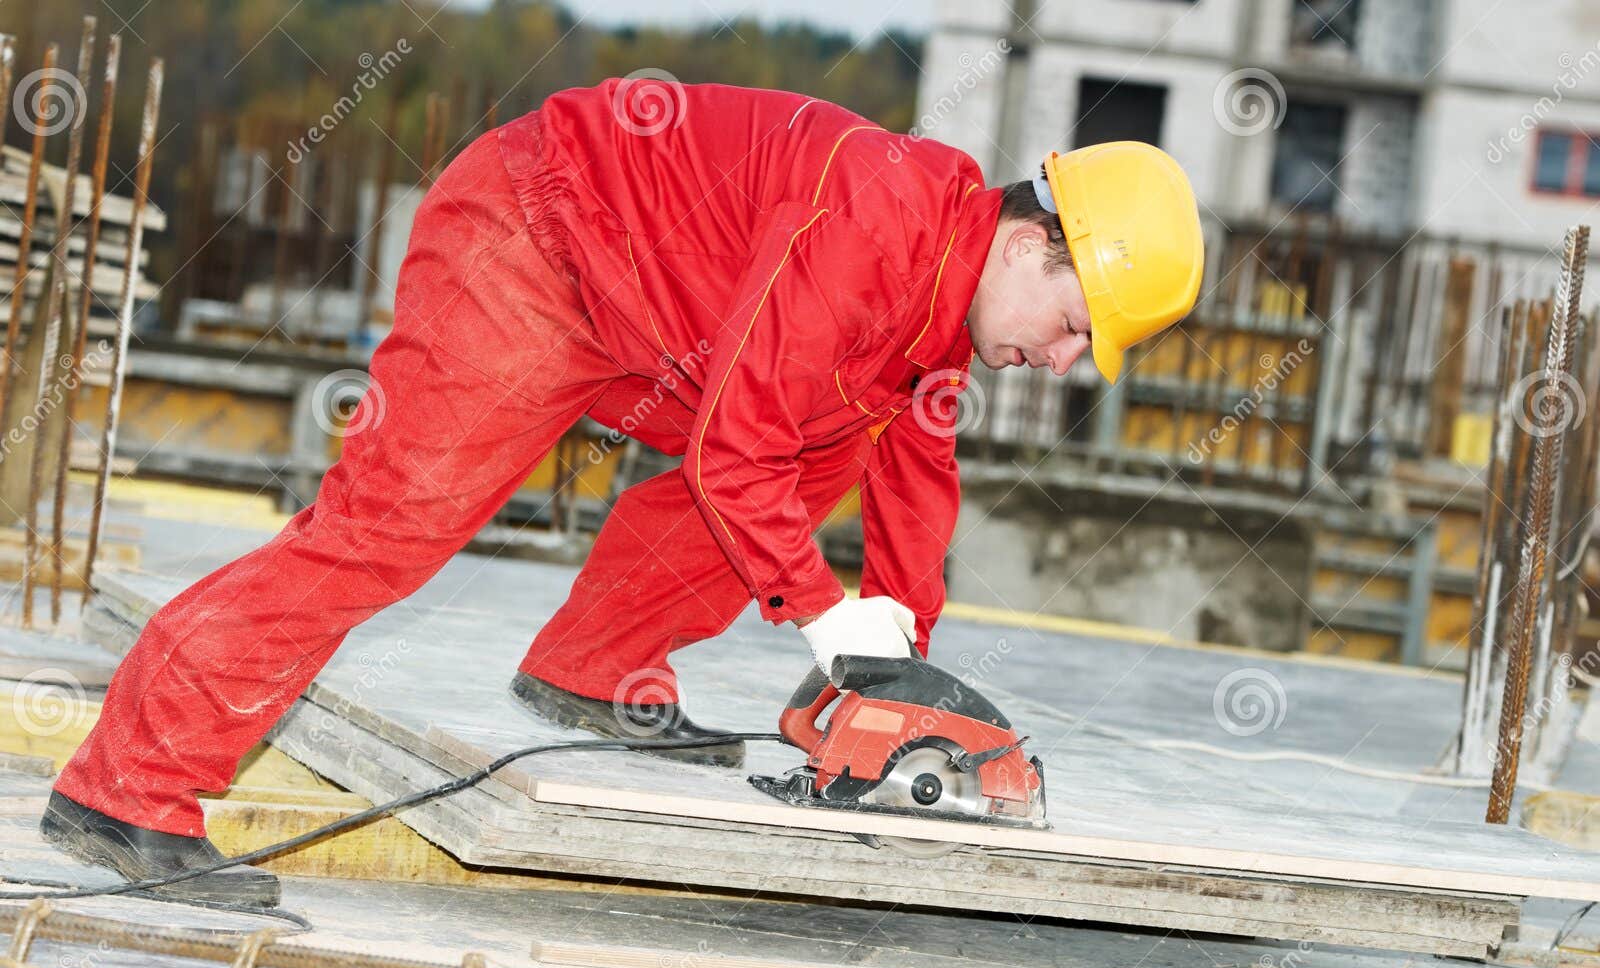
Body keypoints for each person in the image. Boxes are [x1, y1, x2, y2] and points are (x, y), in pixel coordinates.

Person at [42, 80, 1203, 907]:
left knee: (837, 443)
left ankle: (588, 667)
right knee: (388, 530)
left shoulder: (944, 290)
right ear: (1029, 245)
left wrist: (899, 669)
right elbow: (731, 453)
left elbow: (916, 475)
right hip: (535, 234)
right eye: (1070, 330)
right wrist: (821, 616)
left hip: (659, 322)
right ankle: (127, 790)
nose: (1059, 363)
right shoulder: (876, 213)